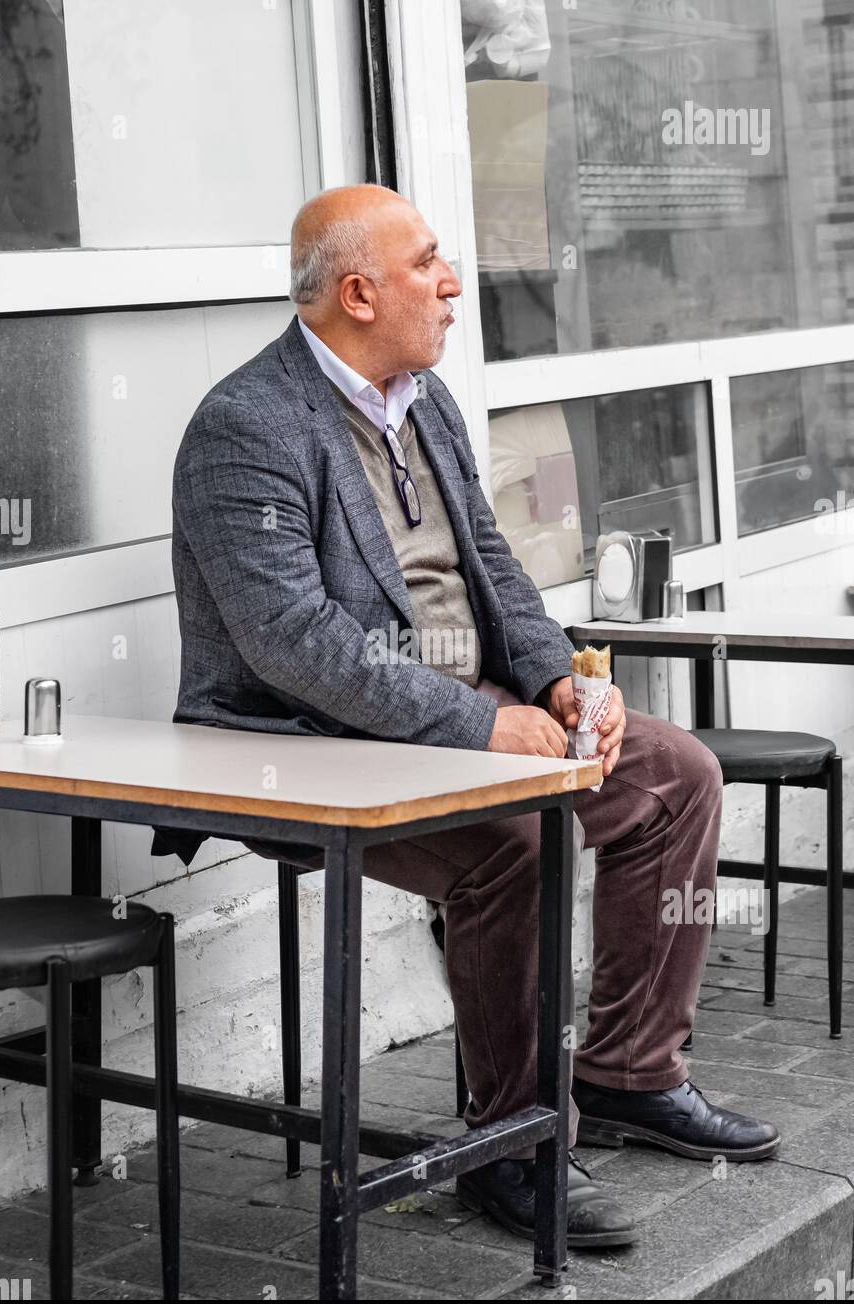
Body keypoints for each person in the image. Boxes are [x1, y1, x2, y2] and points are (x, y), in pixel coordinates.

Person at [160, 183, 779, 1250]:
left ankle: (627, 1071)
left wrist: (552, 685)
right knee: (515, 839)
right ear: (358, 291)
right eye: (428, 264)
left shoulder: (423, 399)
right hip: (314, 745)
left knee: (674, 777)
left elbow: (490, 564)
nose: (451, 285)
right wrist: (478, 728)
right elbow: (292, 641)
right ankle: (510, 1148)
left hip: (463, 714)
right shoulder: (243, 426)